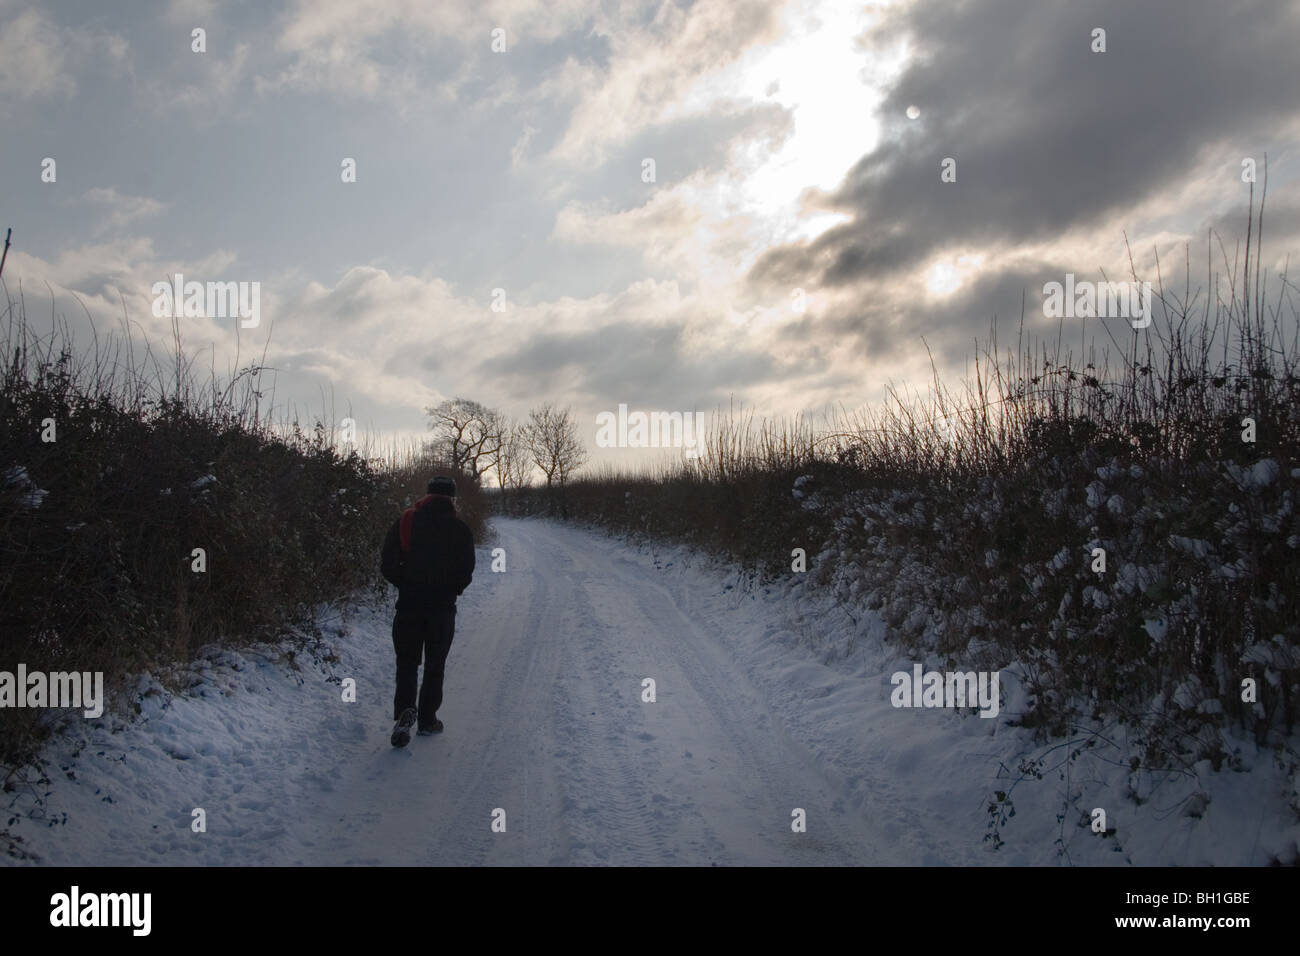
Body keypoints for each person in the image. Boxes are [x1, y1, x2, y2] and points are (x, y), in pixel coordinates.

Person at [380, 476, 476, 748]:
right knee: (436, 664)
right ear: (452, 499)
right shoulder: (459, 529)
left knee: (407, 662)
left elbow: (387, 563)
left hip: (408, 605)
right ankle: (427, 719)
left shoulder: (406, 522)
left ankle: (404, 713)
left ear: (428, 495)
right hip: (442, 610)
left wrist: (406, 583)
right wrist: (450, 590)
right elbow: (466, 570)